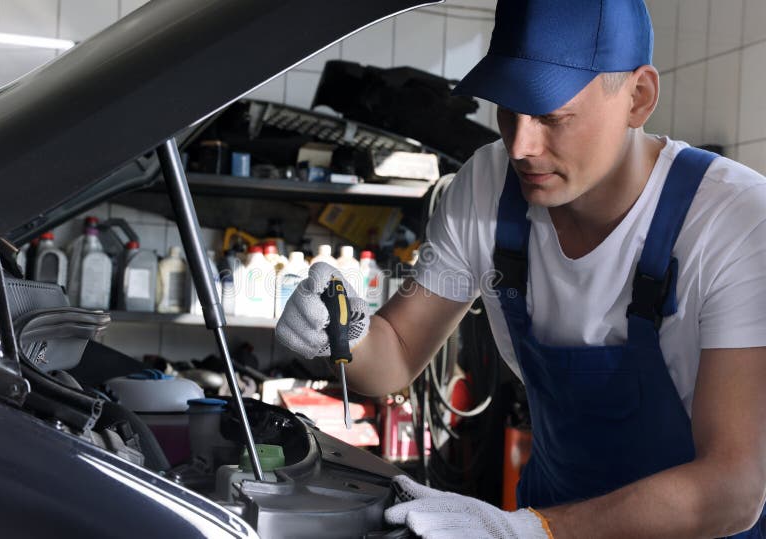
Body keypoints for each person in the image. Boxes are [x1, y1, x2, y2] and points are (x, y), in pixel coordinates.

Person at [276, 0, 766, 537]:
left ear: (638, 97)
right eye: (508, 110)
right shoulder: (486, 187)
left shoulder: (733, 219)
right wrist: (344, 334)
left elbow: (733, 486)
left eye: (553, 116)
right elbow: (393, 357)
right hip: (549, 518)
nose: (521, 145)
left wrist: (533, 531)